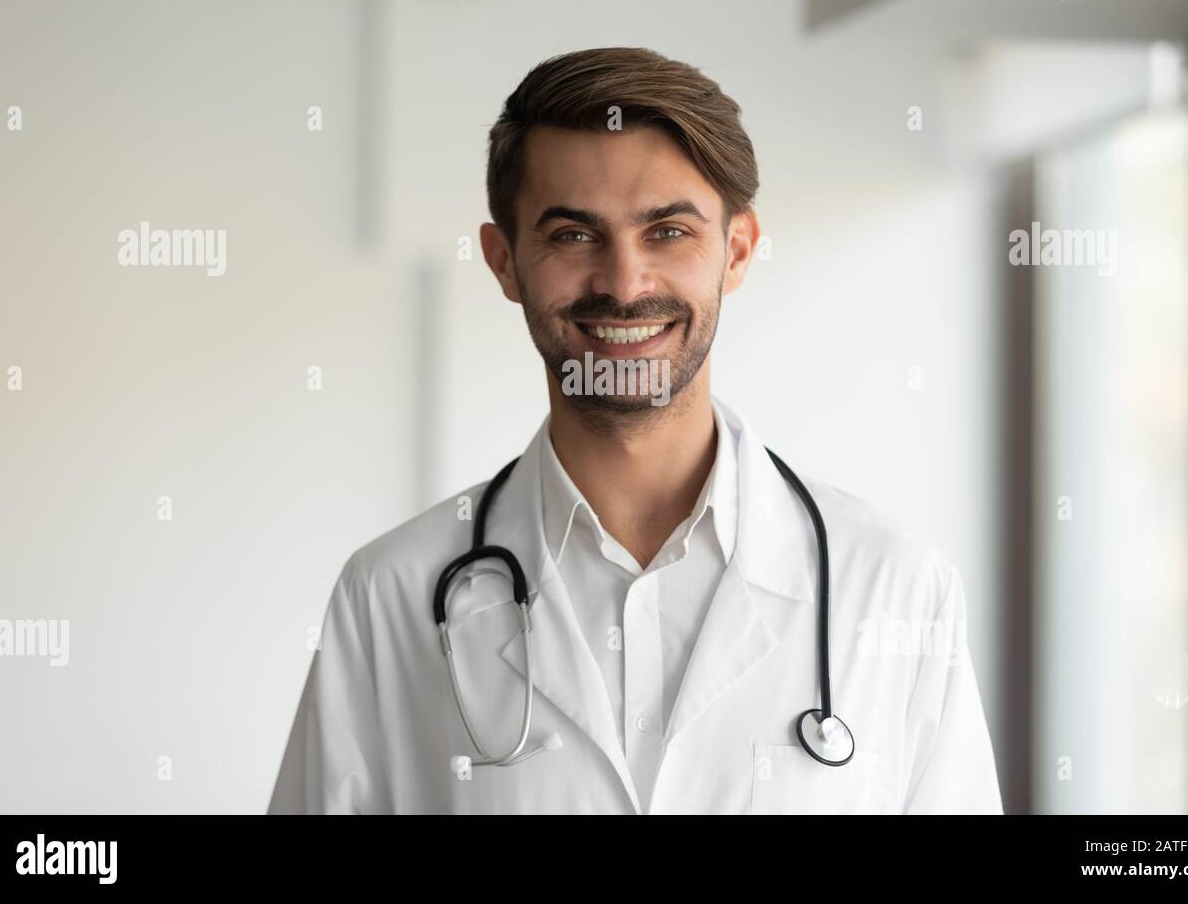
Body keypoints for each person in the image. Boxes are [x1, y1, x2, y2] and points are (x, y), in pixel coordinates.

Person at [267, 46, 1003, 814]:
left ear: (738, 250)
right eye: (573, 236)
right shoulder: (390, 595)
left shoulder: (894, 590)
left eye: (669, 232)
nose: (623, 284)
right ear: (505, 262)